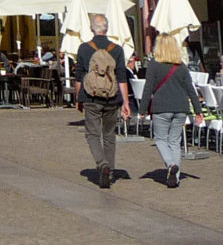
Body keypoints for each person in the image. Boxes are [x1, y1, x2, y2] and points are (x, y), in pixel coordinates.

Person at [73, 13, 133, 189]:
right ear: (106, 29)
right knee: (109, 135)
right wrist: (126, 103)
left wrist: (79, 98)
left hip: (91, 97)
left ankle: (102, 164)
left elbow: (79, 76)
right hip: (112, 97)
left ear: (92, 28)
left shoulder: (84, 49)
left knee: (92, 134)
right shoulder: (117, 49)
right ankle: (111, 170)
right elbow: (122, 77)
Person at [139, 32, 204, 188]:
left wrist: (142, 109)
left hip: (161, 107)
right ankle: (175, 175)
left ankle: (170, 165)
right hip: (181, 107)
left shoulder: (154, 64)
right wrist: (198, 111)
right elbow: (191, 89)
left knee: (160, 139)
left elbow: (148, 88)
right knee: (175, 141)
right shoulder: (181, 66)